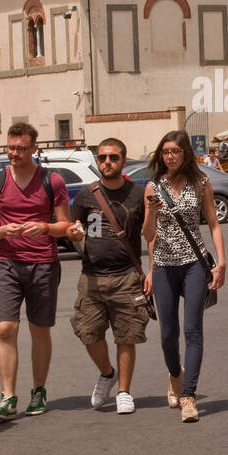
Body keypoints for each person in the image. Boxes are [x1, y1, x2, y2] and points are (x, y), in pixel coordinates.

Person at [0, 122, 72, 420]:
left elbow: (65, 226)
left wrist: (43, 227)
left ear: (34, 148)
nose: (14, 153)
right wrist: (4, 230)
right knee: (5, 327)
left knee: (39, 329)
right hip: (7, 262)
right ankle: (7, 396)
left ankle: (39, 390)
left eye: (20, 148)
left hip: (43, 261)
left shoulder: (52, 181)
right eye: (10, 147)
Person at [142, 131, 226, 423]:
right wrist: (151, 269)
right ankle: (175, 374)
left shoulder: (201, 183)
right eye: (165, 151)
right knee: (167, 335)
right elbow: (148, 235)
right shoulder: (153, 186)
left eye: (175, 151)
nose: (170, 156)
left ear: (185, 153)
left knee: (193, 331)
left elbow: (213, 222)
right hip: (164, 265)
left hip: (194, 264)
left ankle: (189, 397)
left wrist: (221, 262)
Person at [67, 138, 149, 415]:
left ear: (124, 161)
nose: (107, 163)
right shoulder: (86, 195)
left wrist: (153, 273)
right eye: (102, 158)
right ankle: (107, 373)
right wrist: (74, 233)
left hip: (127, 277)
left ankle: (124, 391)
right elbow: (74, 228)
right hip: (91, 277)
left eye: (113, 157)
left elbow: (151, 235)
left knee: (127, 336)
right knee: (88, 333)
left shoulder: (138, 194)